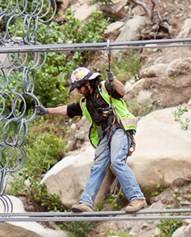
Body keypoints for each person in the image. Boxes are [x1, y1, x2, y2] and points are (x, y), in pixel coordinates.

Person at [35, 65, 146, 213]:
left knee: (117, 161)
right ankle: (86, 203)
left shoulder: (106, 88)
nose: (78, 91)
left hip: (120, 128)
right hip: (106, 134)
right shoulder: (84, 103)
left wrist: (113, 80)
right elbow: (67, 110)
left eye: (79, 87)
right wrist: (47, 110)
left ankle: (137, 198)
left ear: (87, 83)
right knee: (98, 166)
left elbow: (122, 91)